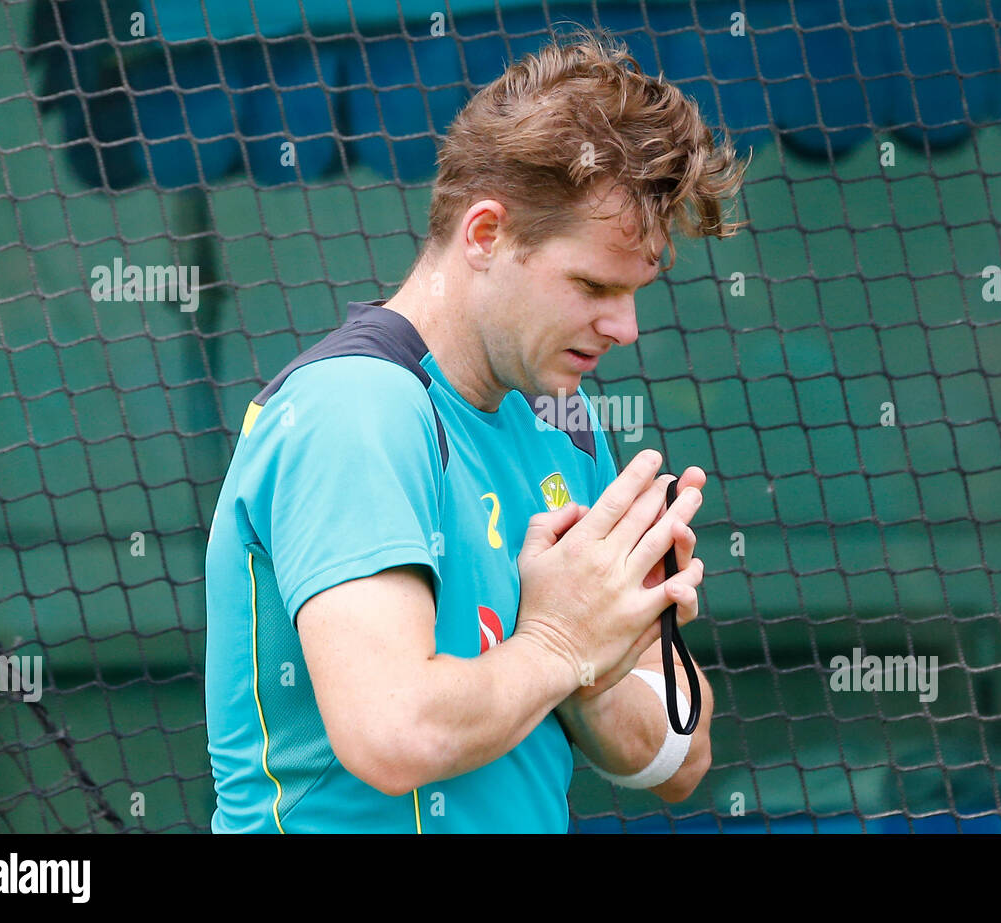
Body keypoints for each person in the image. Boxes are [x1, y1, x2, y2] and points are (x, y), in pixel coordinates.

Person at [204, 26, 747, 833]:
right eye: (593, 283)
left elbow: (681, 757)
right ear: (486, 234)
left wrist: (609, 641)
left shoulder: (563, 415)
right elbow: (395, 730)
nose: (626, 326)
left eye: (635, 289)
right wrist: (564, 641)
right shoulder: (355, 411)